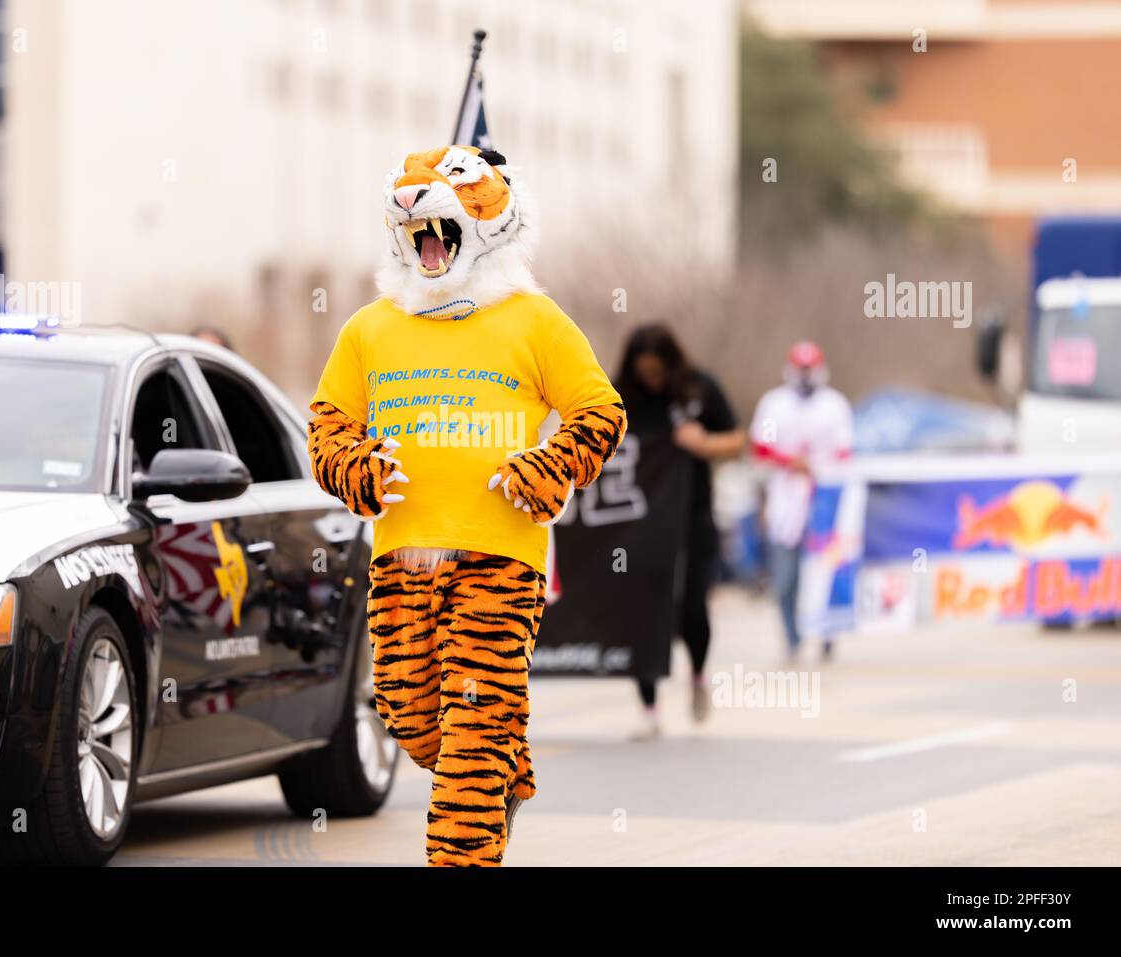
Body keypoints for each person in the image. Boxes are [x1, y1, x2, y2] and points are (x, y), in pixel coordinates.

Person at [307, 144, 626, 866]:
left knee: (473, 731)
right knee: (410, 715)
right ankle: (502, 774)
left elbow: (600, 412)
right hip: (401, 557)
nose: (427, 229)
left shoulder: (534, 320)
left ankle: (468, 834)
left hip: (499, 559)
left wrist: (550, 466)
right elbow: (326, 426)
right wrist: (353, 466)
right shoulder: (369, 328)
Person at [615, 324, 745, 738]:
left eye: (657, 372)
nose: (651, 379)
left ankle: (699, 674)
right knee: (641, 611)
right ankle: (649, 708)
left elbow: (740, 440)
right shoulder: (620, 397)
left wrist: (705, 444)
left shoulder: (699, 388)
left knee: (692, 605)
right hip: (638, 523)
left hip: (693, 515)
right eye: (644, 372)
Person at [749, 341, 853, 662]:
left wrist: (816, 466)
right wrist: (790, 462)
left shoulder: (835, 405)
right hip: (785, 499)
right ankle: (793, 639)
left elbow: (845, 451)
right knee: (786, 578)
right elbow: (760, 447)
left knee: (823, 571)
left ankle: (827, 633)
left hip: (823, 500)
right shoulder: (773, 404)